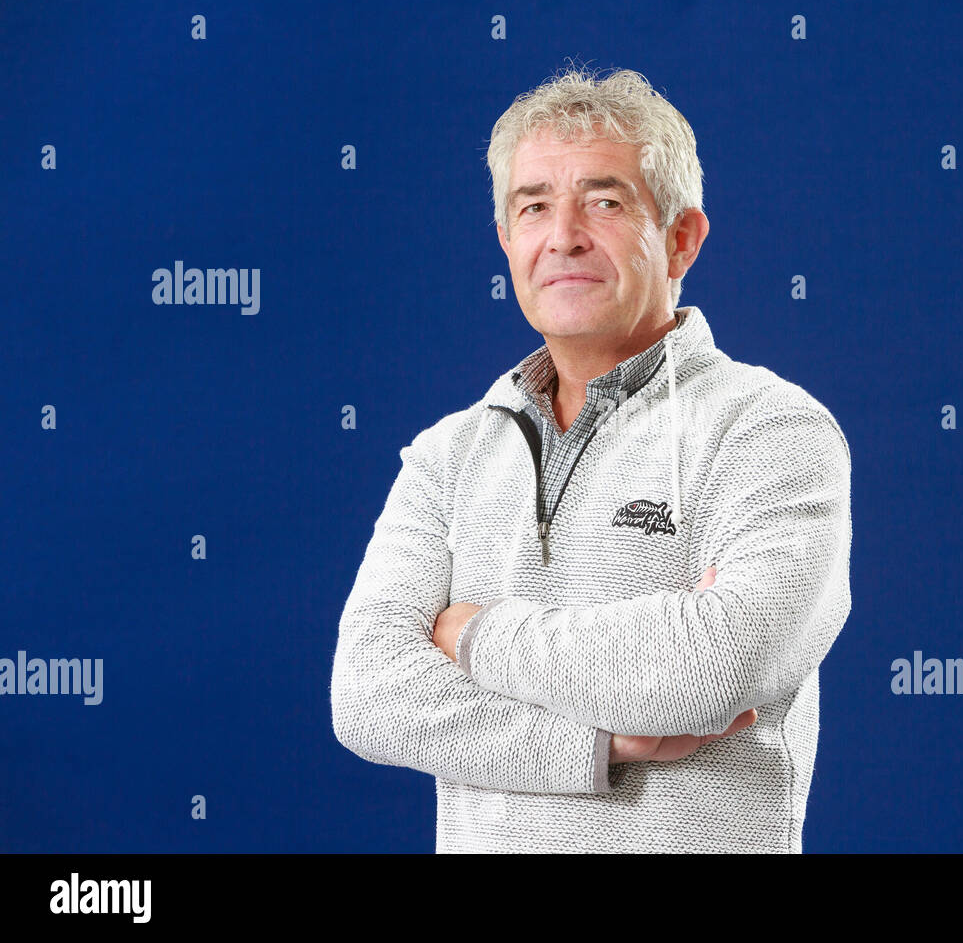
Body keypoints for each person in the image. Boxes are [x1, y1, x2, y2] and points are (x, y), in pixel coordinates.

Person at [330, 63, 853, 853]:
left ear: (681, 238)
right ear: (507, 240)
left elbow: (714, 667)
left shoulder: (771, 430)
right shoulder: (448, 455)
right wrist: (597, 744)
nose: (562, 235)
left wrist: (470, 635)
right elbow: (369, 695)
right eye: (532, 206)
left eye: (604, 202)